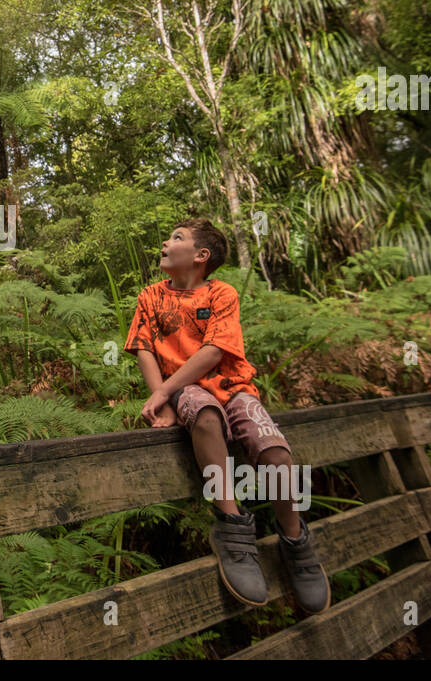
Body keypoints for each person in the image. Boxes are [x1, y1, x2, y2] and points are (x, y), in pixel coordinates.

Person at [124, 218, 331, 614]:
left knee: (275, 453)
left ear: (201, 256)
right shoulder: (150, 296)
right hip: (189, 390)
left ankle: (295, 539)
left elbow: (216, 350)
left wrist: (164, 390)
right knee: (203, 416)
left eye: (177, 237)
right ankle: (233, 527)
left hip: (233, 386)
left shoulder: (223, 293)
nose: (166, 242)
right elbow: (144, 346)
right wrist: (163, 397)